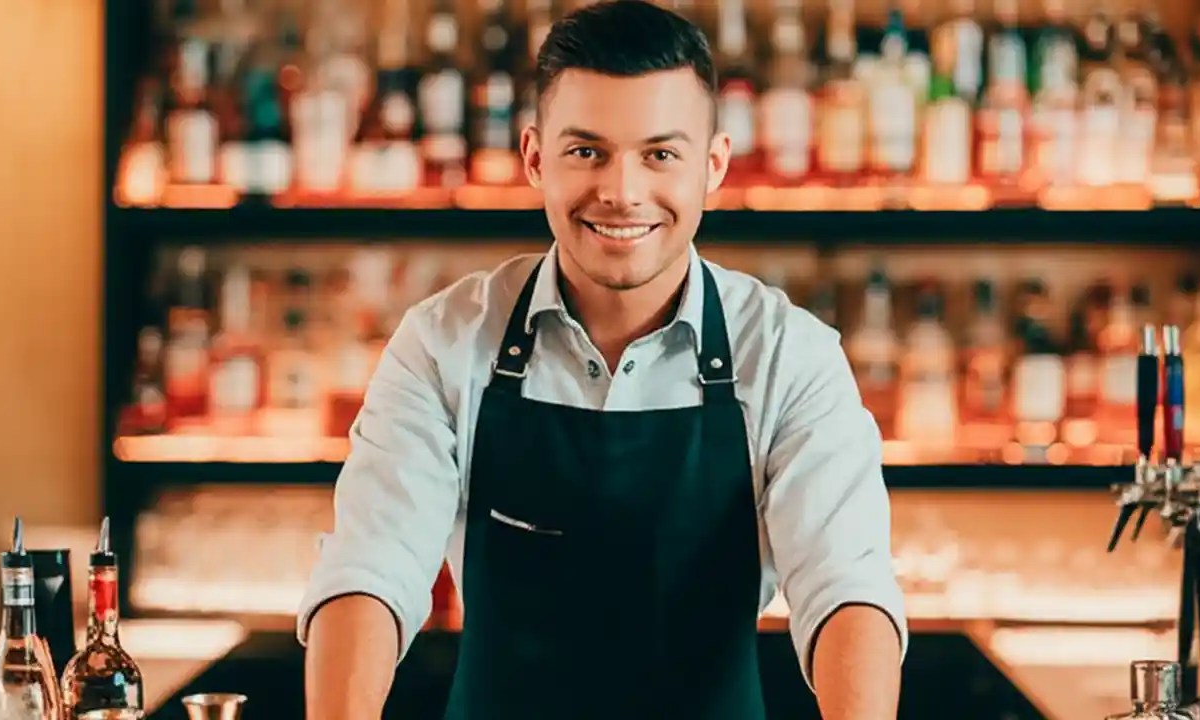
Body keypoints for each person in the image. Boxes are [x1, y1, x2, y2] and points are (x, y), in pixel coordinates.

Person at [298, 1, 906, 717]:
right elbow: (370, 570)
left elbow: (845, 589)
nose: (621, 192)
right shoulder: (445, 340)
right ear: (533, 157)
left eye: (660, 154)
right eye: (587, 151)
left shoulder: (787, 353)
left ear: (713, 166)